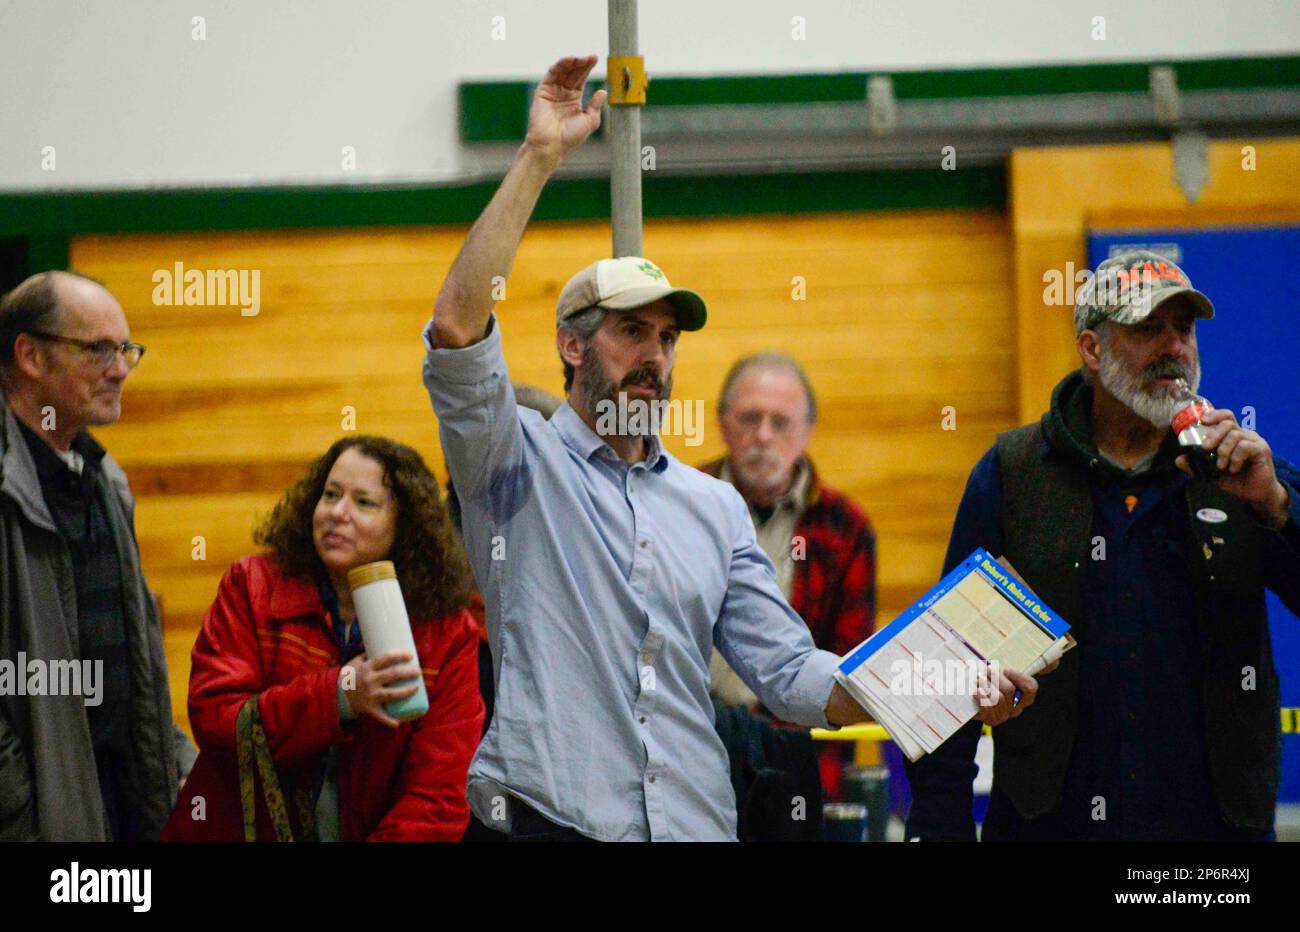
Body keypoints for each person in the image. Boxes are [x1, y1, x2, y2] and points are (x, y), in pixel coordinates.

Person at [421, 54, 1032, 841]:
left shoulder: (711, 507)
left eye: (668, 338)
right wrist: (540, 157)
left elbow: (792, 675)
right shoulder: (514, 466)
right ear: (572, 349)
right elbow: (457, 330)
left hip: (692, 823)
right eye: (631, 331)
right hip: (547, 820)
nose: (655, 357)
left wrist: (943, 683)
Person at [906, 249, 1300, 841]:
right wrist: (939, 828)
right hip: (1050, 828)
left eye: (1184, 329)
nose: (1175, 349)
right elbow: (948, 661)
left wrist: (1278, 507)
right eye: (1148, 329)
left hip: (1212, 844)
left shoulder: (1242, 468)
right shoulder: (1012, 473)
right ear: (1092, 349)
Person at [163, 435, 483, 841]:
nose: (337, 513)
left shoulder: (447, 632)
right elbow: (219, 721)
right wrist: (339, 696)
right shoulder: (252, 585)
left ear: (406, 525)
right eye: (330, 495)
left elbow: (437, 798)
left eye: (364, 503)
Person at [0, 270, 194, 841]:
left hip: (119, 803)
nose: (121, 369)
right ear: (29, 355)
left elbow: (136, 655)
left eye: (127, 349)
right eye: (98, 349)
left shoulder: (105, 480)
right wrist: (21, 814)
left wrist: (174, 764)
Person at [699, 352, 876, 709]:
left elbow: (851, 665)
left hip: (797, 741)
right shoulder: (684, 503)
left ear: (807, 430)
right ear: (721, 423)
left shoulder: (844, 527)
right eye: (749, 418)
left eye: (780, 422)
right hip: (692, 734)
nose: (763, 436)